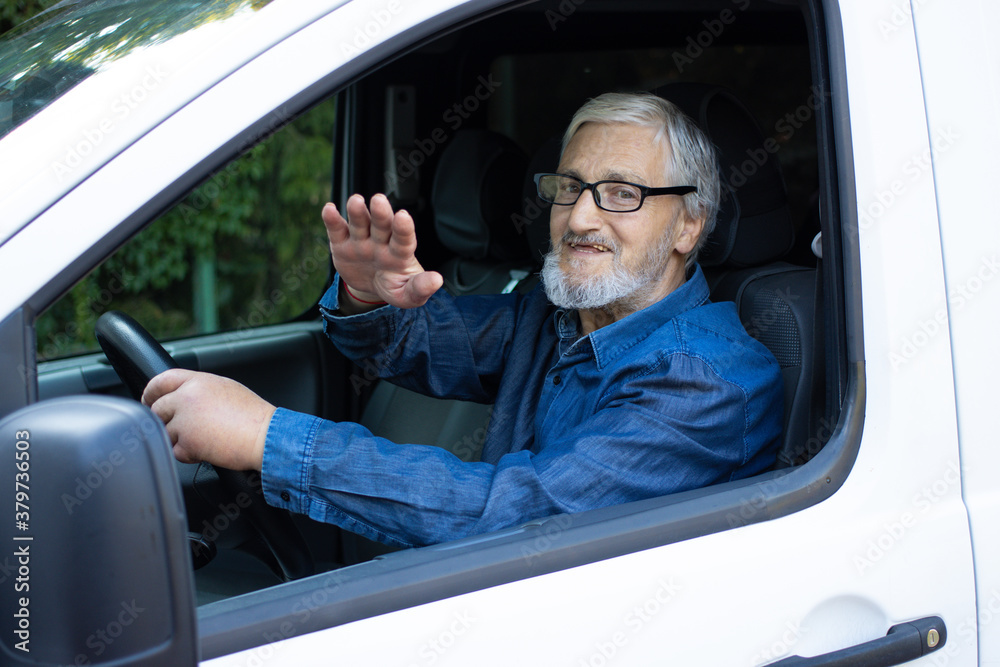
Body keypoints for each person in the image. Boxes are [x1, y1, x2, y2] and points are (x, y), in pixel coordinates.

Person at [142, 92, 783, 548]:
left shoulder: (709, 383)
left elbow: (522, 518)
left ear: (689, 224)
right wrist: (369, 295)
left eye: (622, 194)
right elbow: (430, 344)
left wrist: (269, 436)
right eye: (569, 187)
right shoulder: (558, 311)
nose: (580, 218)